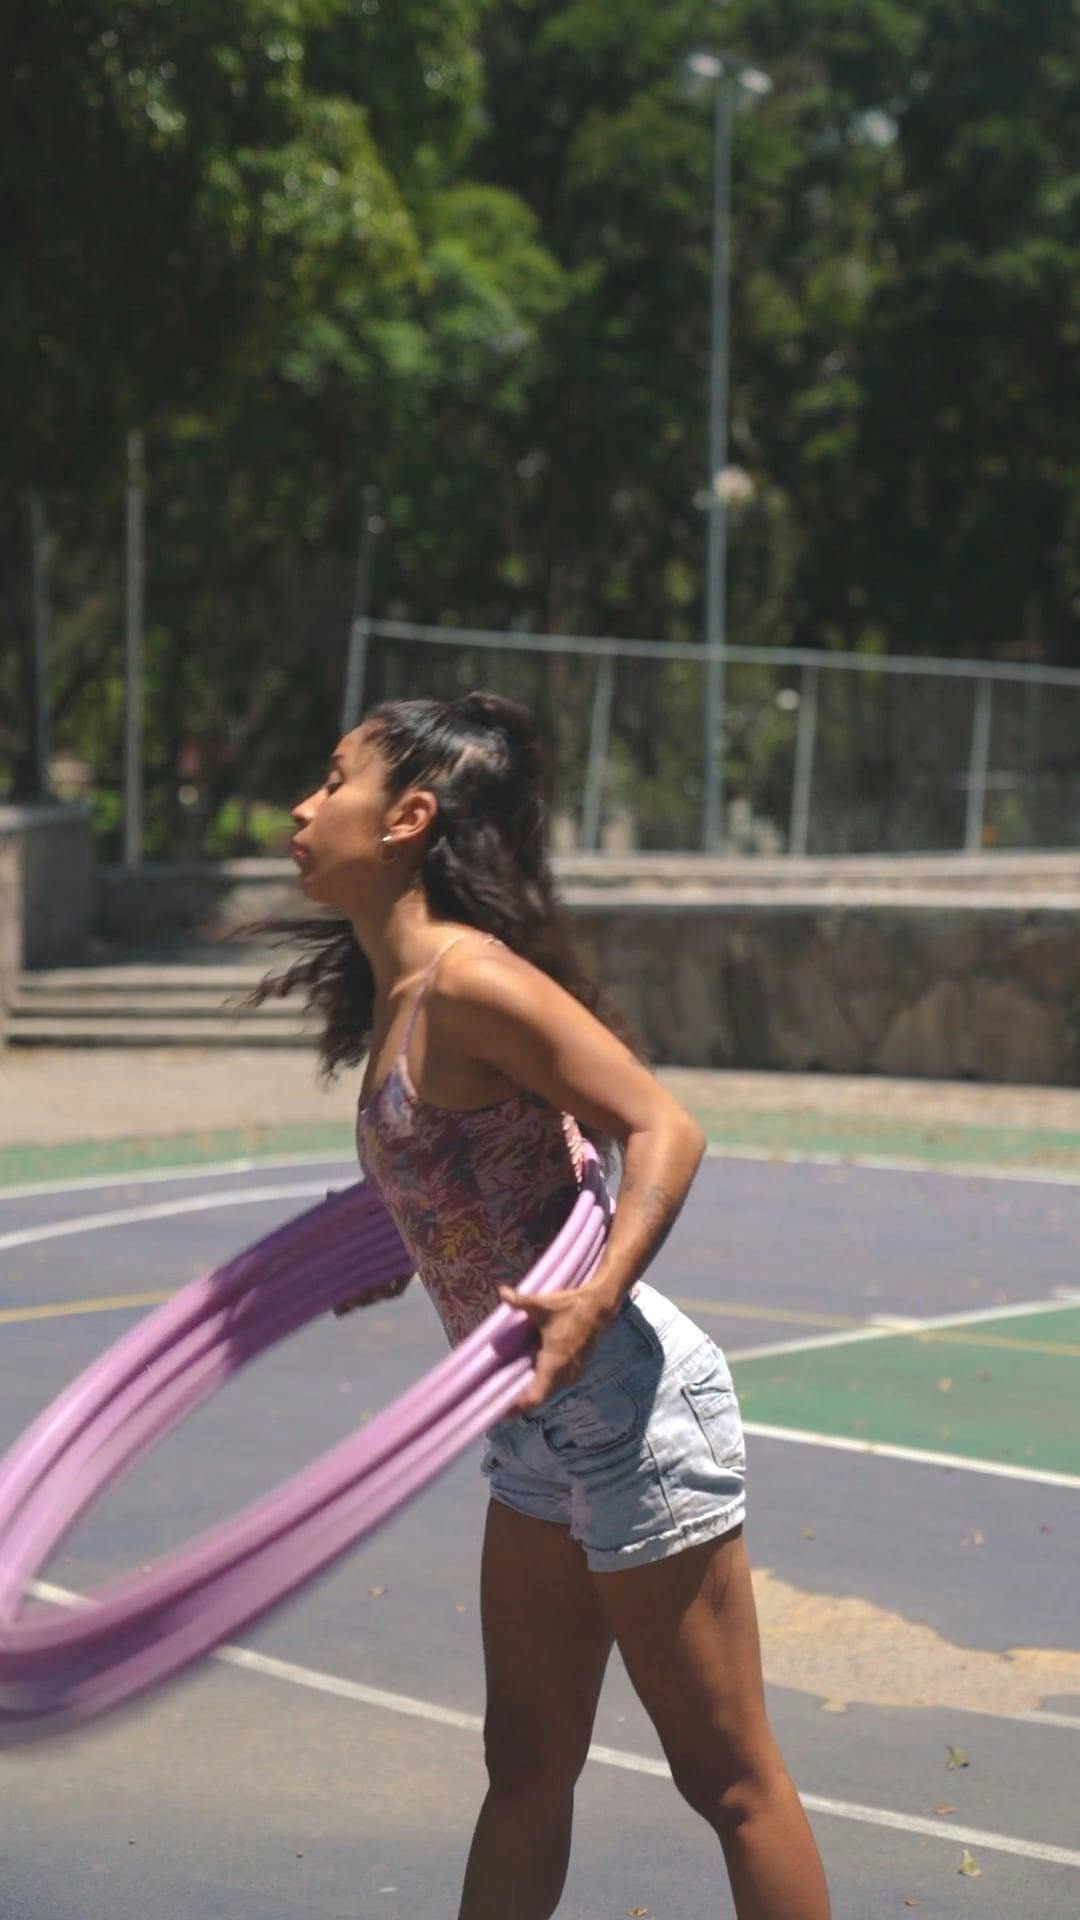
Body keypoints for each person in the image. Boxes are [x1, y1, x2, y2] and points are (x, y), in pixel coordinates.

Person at [251, 691, 831, 1920]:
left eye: (333, 782)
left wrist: (592, 1295)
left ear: (408, 819)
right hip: (530, 1423)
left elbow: (662, 1125)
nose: (303, 809)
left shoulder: (472, 982)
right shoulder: (402, 995)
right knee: (525, 1764)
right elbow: (493, 1167)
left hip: (621, 1399)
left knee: (727, 1781)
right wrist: (413, 1250)